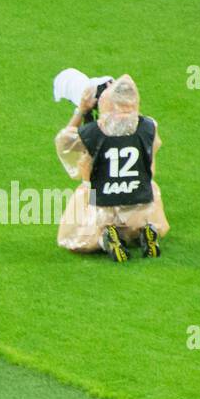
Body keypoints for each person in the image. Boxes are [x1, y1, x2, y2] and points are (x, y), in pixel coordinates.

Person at [54, 75, 169, 261]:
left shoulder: (92, 133)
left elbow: (64, 141)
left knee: (86, 191)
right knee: (148, 184)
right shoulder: (149, 126)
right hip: (142, 201)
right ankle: (146, 230)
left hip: (101, 203)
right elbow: (151, 164)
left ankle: (103, 238)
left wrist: (81, 111)